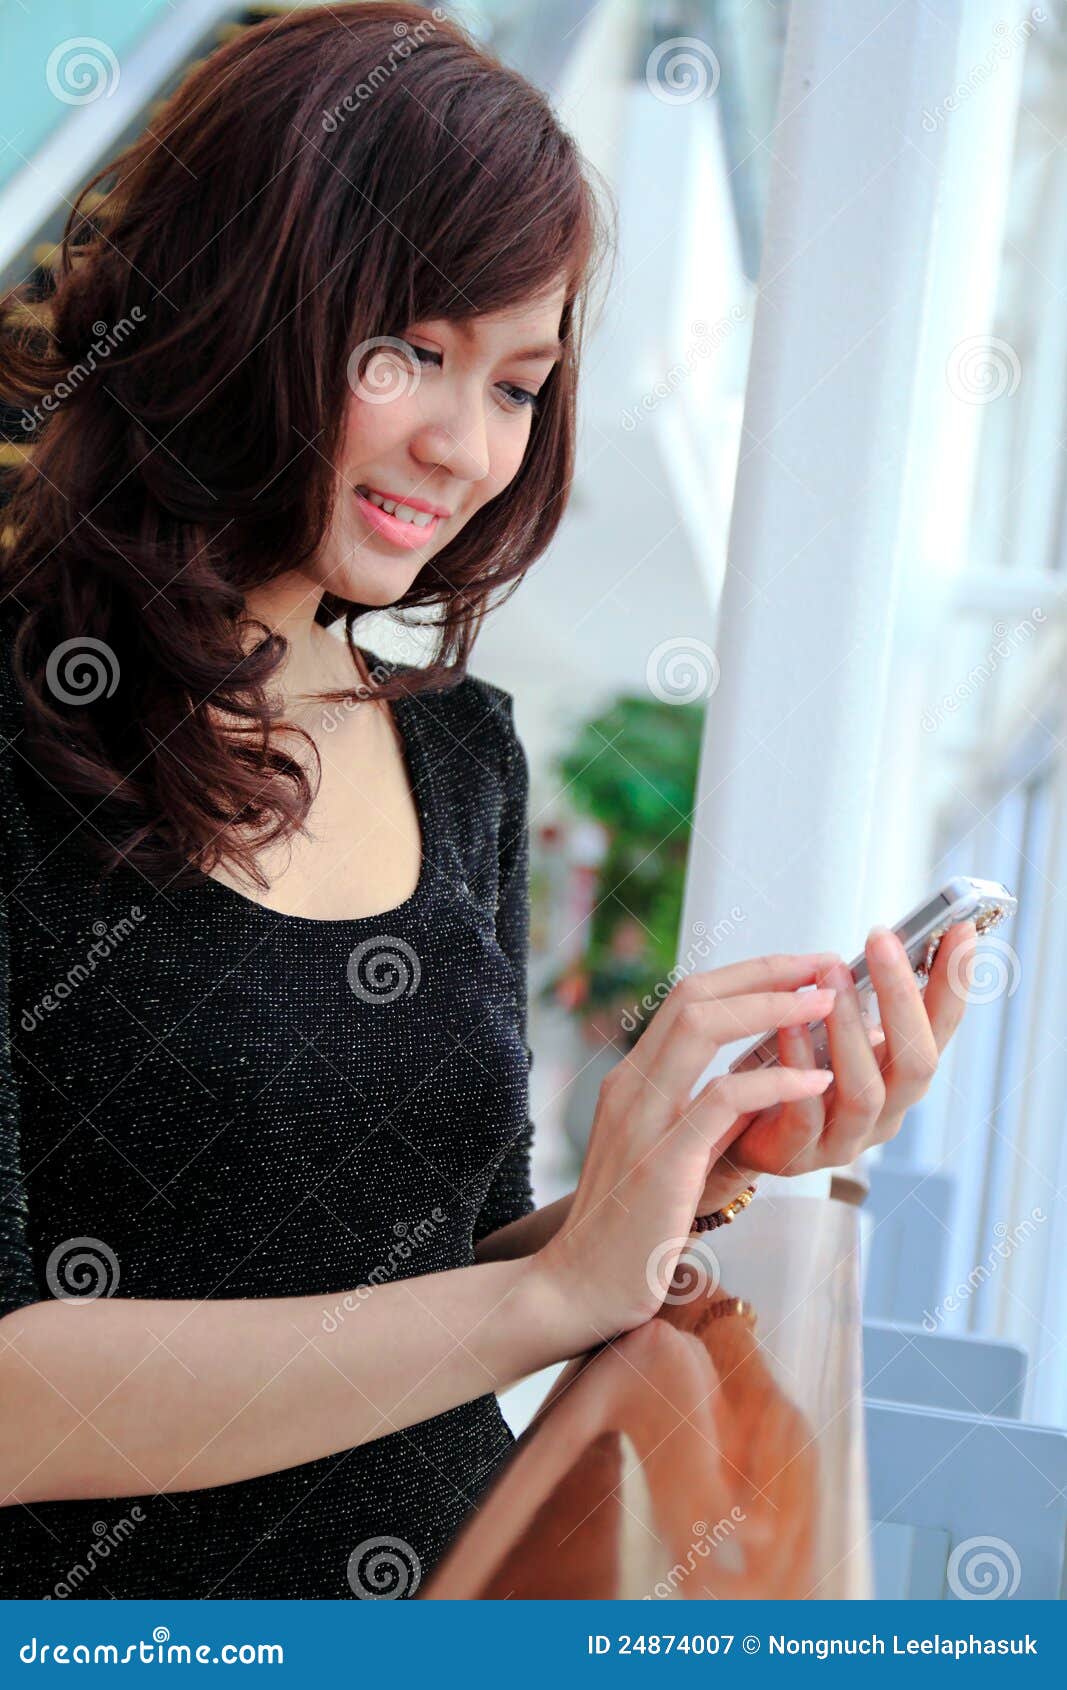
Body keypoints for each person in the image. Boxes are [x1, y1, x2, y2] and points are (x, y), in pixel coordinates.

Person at [0, 2, 975, 1600]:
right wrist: (548, 1295)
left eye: (519, 383)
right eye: (415, 354)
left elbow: (427, 1278)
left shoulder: (457, 751)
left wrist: (692, 1168)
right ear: (241, 298)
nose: (467, 448)